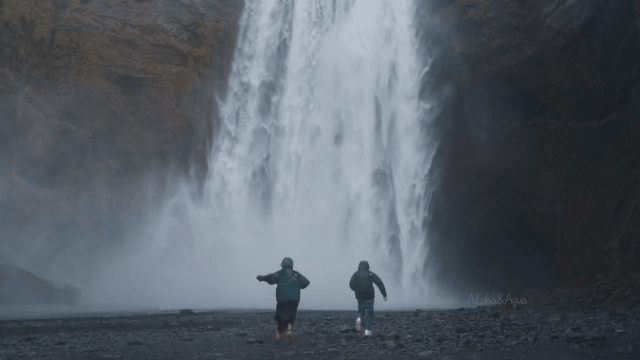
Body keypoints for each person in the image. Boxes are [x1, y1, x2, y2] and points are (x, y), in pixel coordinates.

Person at [257, 257, 310, 344]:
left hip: (282, 301)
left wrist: (262, 278)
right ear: (291, 265)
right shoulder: (296, 274)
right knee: (290, 319)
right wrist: (296, 285)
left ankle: (279, 335)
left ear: (283, 265)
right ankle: (289, 335)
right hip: (294, 301)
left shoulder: (281, 273)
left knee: (280, 318)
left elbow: (271, 278)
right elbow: (306, 282)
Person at [349, 260, 387, 336]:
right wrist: (384, 294)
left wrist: (356, 290)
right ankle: (367, 330)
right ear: (367, 266)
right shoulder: (371, 274)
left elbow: (351, 285)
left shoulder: (356, 274)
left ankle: (359, 318)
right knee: (370, 314)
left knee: (360, 311)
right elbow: (379, 283)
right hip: (370, 297)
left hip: (360, 297)